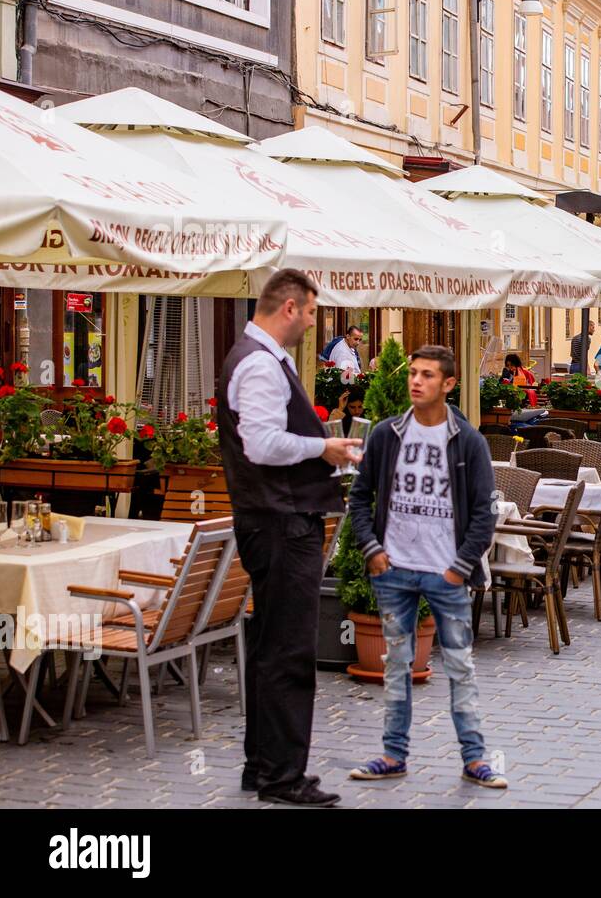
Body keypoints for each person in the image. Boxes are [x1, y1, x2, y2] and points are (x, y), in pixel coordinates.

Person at [216, 269, 361, 807]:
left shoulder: (259, 359)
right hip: (279, 521)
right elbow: (260, 444)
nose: (312, 323)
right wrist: (322, 449)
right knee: (289, 649)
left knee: (270, 644)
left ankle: (263, 765)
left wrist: (326, 450)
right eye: (311, 312)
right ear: (290, 308)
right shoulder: (258, 363)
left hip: (275, 517)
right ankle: (282, 776)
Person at [346, 344, 507, 790]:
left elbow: (483, 512)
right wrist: (372, 549)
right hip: (394, 570)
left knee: (460, 666)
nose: (416, 381)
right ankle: (392, 755)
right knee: (396, 665)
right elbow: (360, 498)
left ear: (449, 384)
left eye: (428, 375)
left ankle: (475, 759)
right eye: (413, 373)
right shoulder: (386, 434)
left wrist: (458, 567)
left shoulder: (467, 440)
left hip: (445, 572)